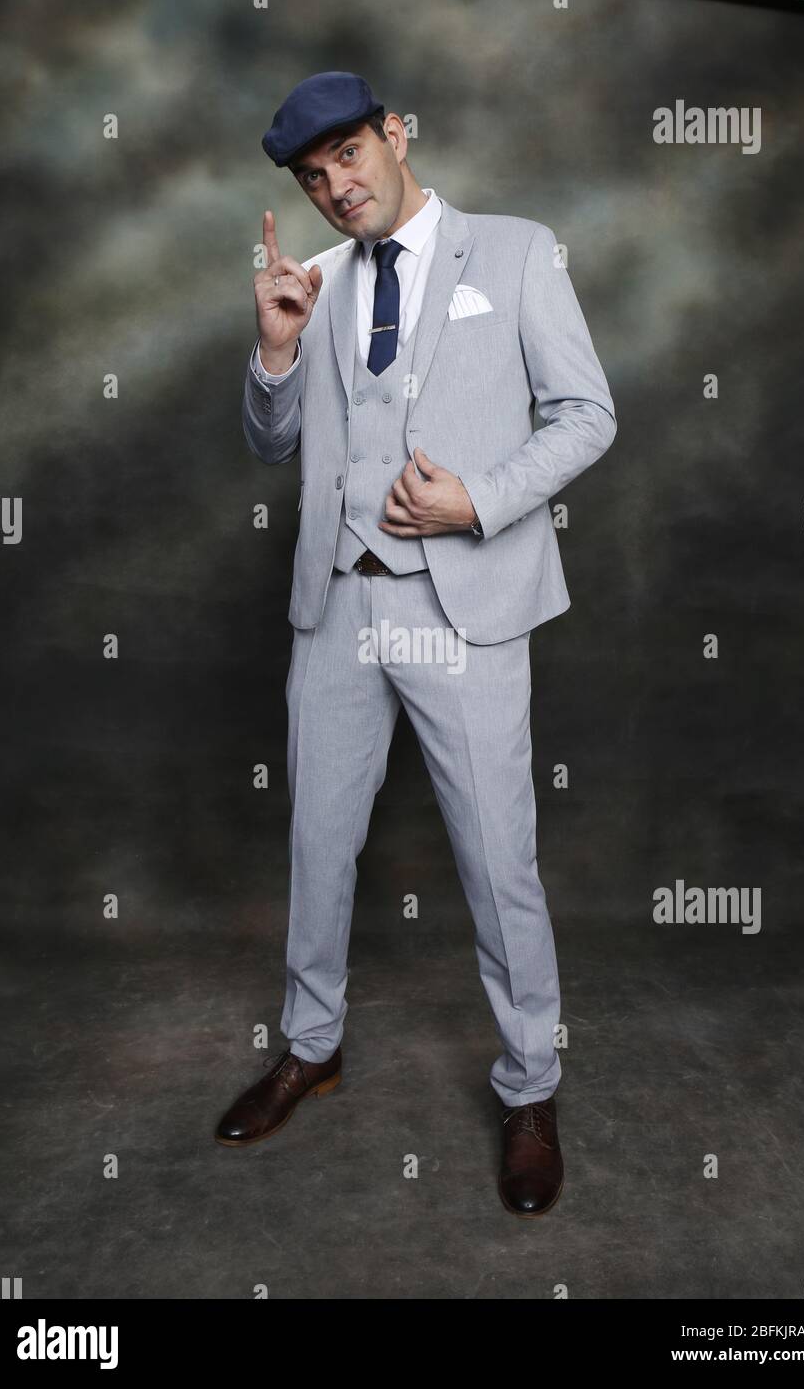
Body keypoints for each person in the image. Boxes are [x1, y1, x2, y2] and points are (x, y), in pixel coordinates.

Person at [214, 71, 617, 1217]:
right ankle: (309, 1043)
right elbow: (269, 442)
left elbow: (587, 413)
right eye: (311, 177)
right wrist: (276, 353)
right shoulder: (318, 280)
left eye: (348, 155)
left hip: (466, 606)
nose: (335, 187)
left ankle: (530, 1086)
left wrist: (477, 501)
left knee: (499, 859)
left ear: (396, 136)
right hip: (336, 605)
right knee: (318, 842)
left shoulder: (517, 250)